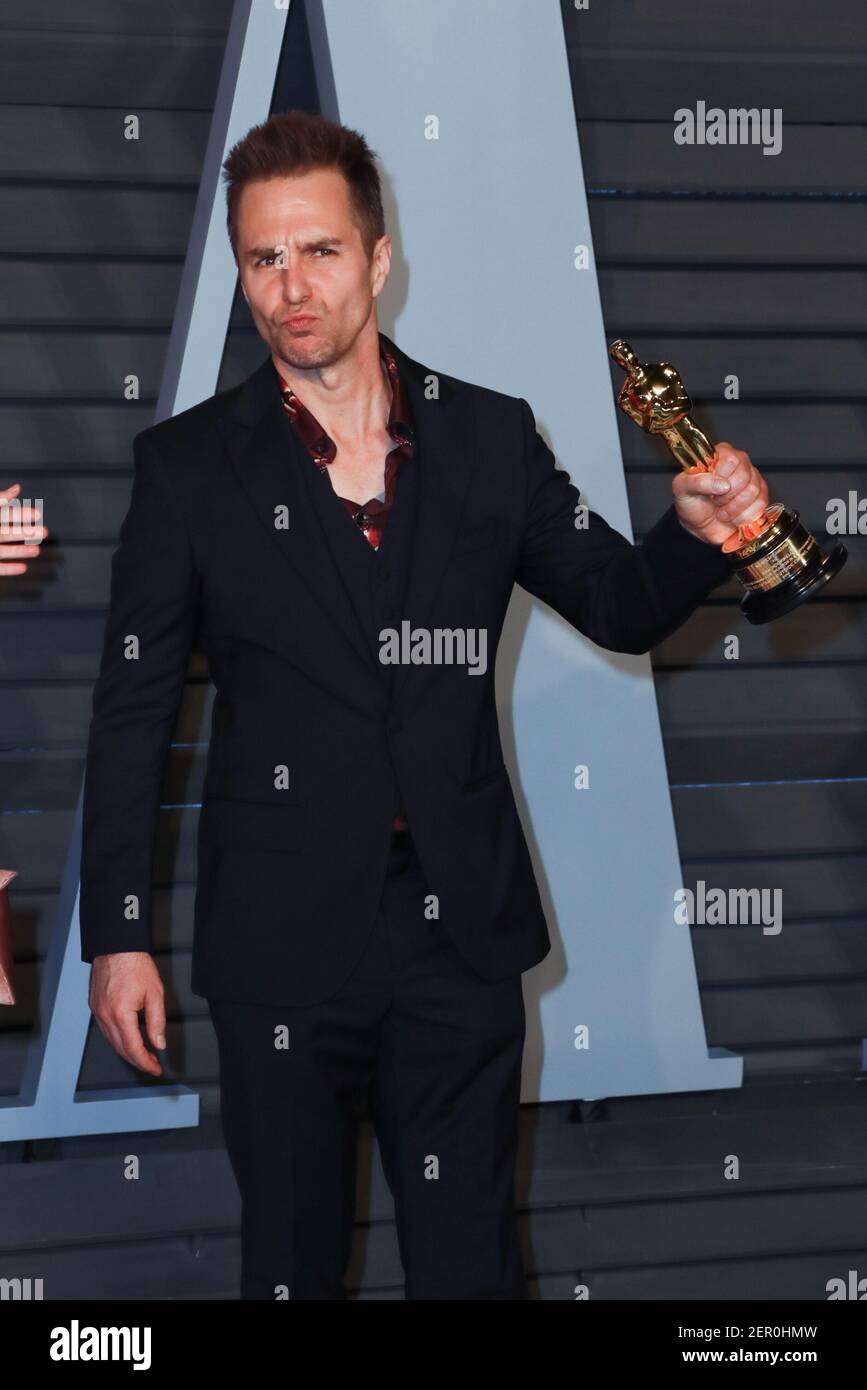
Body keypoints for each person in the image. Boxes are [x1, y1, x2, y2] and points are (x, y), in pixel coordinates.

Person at [79, 110, 769, 1300]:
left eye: (321, 251)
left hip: (460, 935)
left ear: (381, 259)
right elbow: (131, 712)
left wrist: (697, 536)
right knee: (290, 1266)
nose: (292, 286)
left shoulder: (488, 438)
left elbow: (617, 602)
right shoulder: (189, 468)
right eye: (263, 258)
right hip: (280, 947)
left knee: (472, 1272)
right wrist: (118, 932)